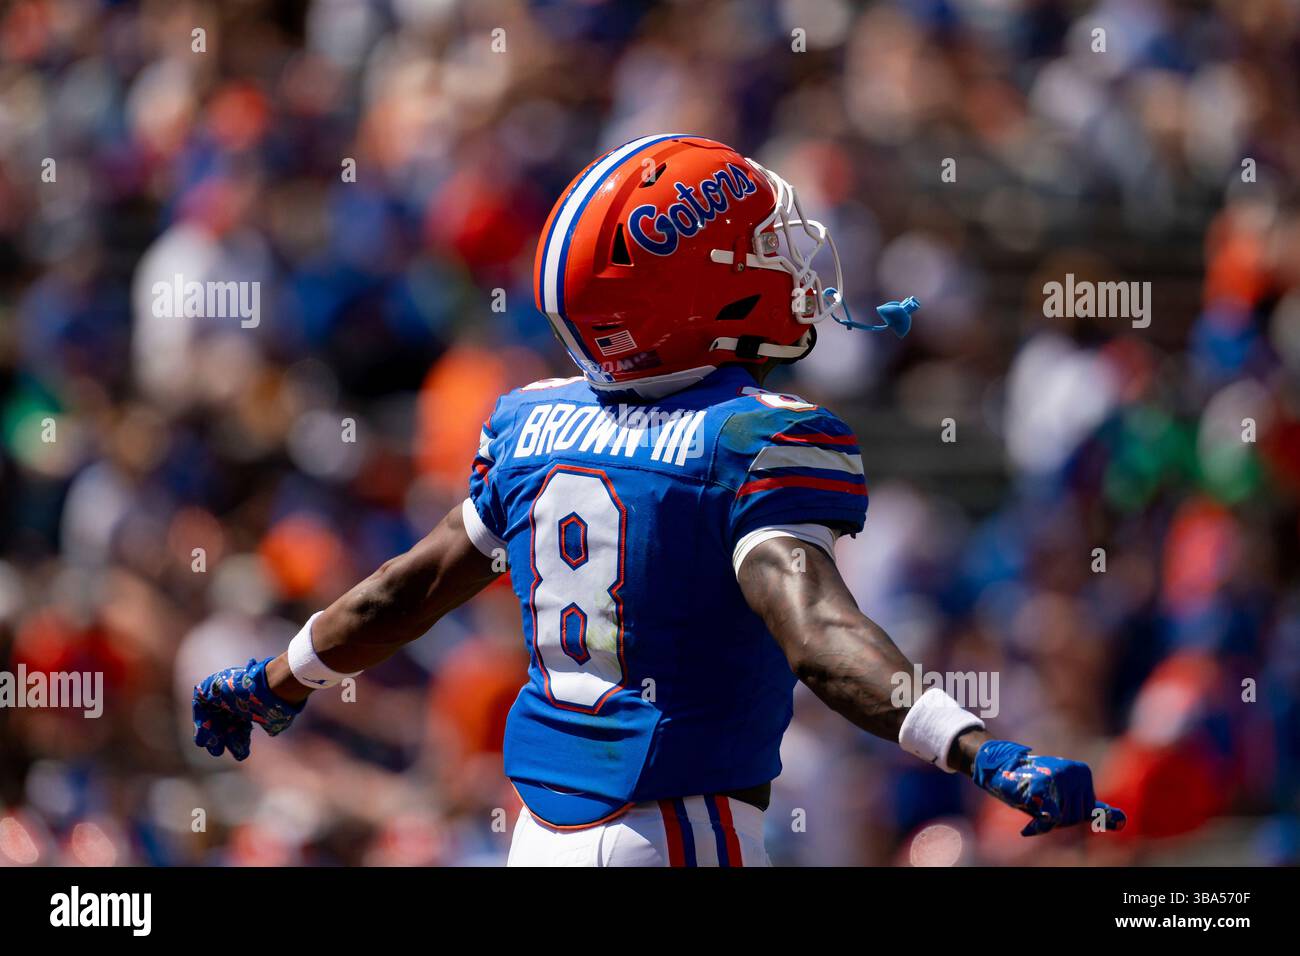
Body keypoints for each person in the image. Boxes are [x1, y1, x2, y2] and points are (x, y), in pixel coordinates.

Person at [192, 135, 1125, 866]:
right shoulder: (757, 438)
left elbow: (411, 586)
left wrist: (278, 681)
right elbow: (820, 637)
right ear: (696, 291)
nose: (790, 264)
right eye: (762, 247)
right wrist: (975, 748)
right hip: (675, 831)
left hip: (537, 840)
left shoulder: (528, 422)